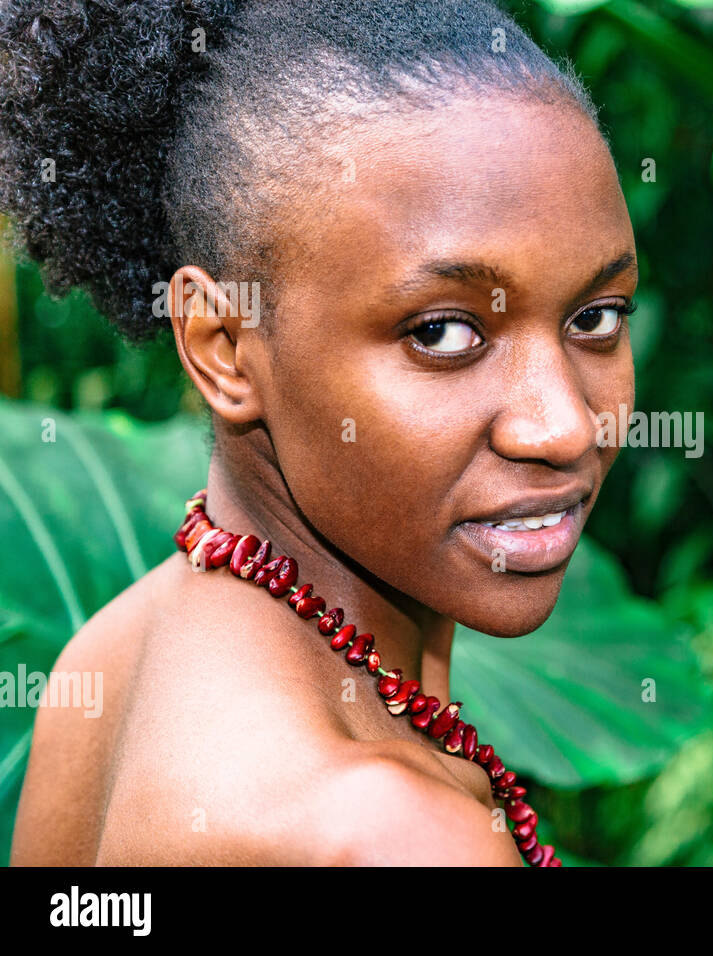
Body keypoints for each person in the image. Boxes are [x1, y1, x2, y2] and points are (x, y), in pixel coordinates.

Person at [1, 0, 637, 865]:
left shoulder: (108, 662)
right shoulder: (394, 838)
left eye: (596, 317)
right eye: (442, 333)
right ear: (223, 348)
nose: (565, 424)